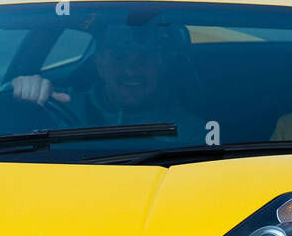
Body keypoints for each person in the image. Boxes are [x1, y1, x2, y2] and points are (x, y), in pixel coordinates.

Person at [11, 21, 203, 145]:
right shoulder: (61, 105)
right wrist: (19, 89)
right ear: (99, 63)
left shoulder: (190, 129)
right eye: (119, 58)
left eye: (143, 59)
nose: (131, 70)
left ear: (161, 64)